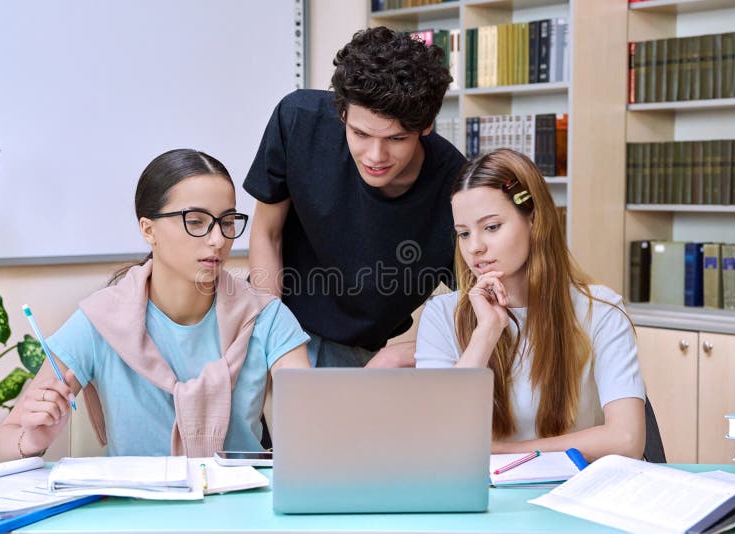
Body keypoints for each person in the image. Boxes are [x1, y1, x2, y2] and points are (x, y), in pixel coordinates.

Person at [0, 149, 310, 462]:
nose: (218, 240)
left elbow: (312, 431)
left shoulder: (266, 316)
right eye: (196, 221)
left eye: (227, 222)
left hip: (239, 497)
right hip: (129, 498)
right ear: (148, 229)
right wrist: (31, 439)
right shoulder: (101, 320)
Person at [245, 26, 466, 368]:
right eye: (360, 134)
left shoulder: (457, 187)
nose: (375, 156)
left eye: (396, 139)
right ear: (342, 113)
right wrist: (271, 340)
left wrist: (406, 353)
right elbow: (267, 233)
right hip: (273, 319)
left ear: (427, 125)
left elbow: (479, 300)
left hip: (359, 351)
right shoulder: (299, 120)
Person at [414, 148, 646, 461]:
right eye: (464, 233)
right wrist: (486, 333)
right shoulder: (442, 314)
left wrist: (505, 453)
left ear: (534, 221)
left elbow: (627, 440)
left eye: (492, 227)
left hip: (572, 485)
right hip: (482, 488)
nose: (475, 247)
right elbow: (437, 436)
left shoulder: (601, 310)